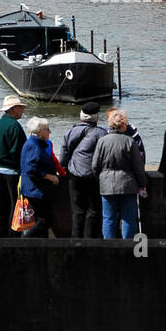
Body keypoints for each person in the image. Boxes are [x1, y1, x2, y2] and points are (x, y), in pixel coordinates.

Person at [92, 108, 147, 240]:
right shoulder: (129, 141)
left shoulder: (102, 141)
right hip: (128, 185)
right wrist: (142, 183)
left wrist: (101, 179)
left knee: (108, 218)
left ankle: (108, 247)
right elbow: (138, 167)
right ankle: (127, 246)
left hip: (107, 186)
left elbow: (95, 166)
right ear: (123, 125)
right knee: (128, 218)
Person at [61, 101, 107, 238]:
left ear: (81, 116)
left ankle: (76, 239)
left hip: (75, 175)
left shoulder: (71, 132)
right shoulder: (102, 133)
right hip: (94, 176)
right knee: (94, 210)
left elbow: (64, 155)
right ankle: (90, 239)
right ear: (97, 117)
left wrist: (63, 169)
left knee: (78, 210)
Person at [0, 95, 26, 237]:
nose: (22, 110)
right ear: (14, 109)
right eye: (20, 108)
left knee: (3, 202)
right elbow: (19, 151)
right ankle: (12, 235)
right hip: (13, 171)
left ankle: (1, 232)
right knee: (14, 204)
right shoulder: (14, 126)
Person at [18, 117, 60, 237]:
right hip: (36, 191)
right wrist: (50, 177)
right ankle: (23, 242)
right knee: (43, 221)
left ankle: (39, 247)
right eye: (47, 129)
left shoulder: (34, 143)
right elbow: (31, 168)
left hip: (35, 189)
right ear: (40, 131)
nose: (50, 132)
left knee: (39, 220)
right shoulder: (35, 146)